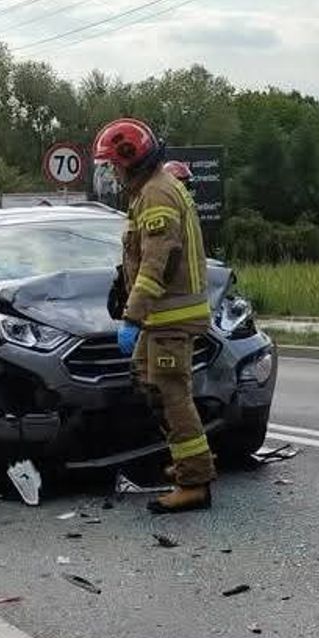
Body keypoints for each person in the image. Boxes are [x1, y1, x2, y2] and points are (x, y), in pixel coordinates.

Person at [94, 118, 217, 515]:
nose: (111, 171)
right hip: (161, 316)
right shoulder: (150, 190)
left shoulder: (157, 195)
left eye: (113, 163)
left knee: (170, 393)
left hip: (169, 316)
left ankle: (194, 482)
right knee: (149, 384)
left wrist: (132, 317)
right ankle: (186, 464)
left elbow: (155, 262)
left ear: (130, 159)